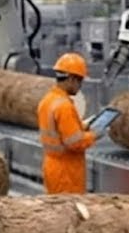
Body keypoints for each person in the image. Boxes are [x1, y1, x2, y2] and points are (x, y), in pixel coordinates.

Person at [37, 52, 97, 194]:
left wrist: (83, 125)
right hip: (66, 172)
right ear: (71, 79)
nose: (80, 86)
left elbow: (59, 132)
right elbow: (74, 142)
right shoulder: (64, 106)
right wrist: (95, 135)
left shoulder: (48, 100)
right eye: (80, 81)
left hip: (53, 166)